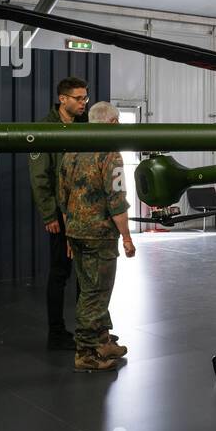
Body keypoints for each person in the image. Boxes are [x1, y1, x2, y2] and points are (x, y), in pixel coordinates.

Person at [57, 101, 136, 372]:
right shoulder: (110, 154)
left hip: (76, 232)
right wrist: (127, 237)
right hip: (99, 235)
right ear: (112, 123)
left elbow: (63, 198)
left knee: (89, 288)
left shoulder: (71, 150)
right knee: (96, 293)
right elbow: (117, 201)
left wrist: (69, 234)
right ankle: (87, 352)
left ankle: (102, 340)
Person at [29, 77, 90, 350]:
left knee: (85, 274)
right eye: (78, 98)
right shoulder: (45, 128)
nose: (83, 103)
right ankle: (56, 333)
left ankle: (87, 329)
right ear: (62, 98)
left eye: (85, 98)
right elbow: (39, 176)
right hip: (60, 214)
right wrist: (49, 215)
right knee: (59, 273)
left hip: (85, 211)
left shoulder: (86, 126)